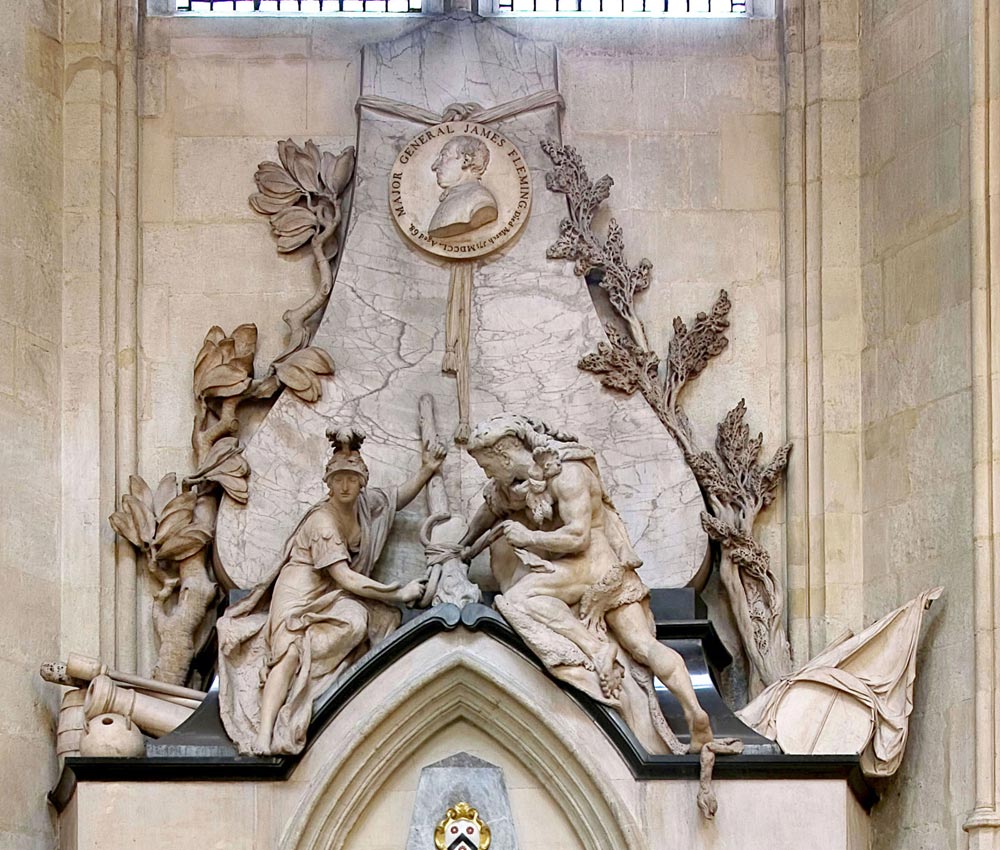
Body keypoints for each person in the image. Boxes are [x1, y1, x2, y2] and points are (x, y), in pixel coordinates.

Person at [459, 413, 713, 753]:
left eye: (488, 467)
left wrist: (529, 537)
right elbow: (490, 509)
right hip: (605, 573)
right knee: (643, 647)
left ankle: (596, 650)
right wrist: (461, 546)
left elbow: (579, 536)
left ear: (505, 455)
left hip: (593, 565)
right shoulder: (518, 482)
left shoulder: (567, 472)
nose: (488, 475)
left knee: (520, 599)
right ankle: (696, 715)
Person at [218, 426, 447, 755]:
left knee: (361, 621)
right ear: (328, 482)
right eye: (338, 478)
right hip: (300, 593)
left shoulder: (368, 506)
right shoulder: (322, 522)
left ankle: (335, 685)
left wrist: (428, 469)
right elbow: (346, 578)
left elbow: (398, 497)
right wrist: (396, 593)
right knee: (290, 650)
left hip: (335, 595)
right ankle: (265, 734)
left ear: (361, 482)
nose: (344, 485)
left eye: (351, 479)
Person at [428, 136, 499, 239]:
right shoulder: (453, 197)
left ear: (466, 160)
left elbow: (486, 214)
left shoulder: (478, 198)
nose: (435, 166)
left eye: (444, 156)